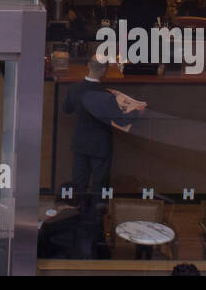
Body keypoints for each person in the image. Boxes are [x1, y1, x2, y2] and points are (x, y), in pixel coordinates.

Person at [62, 56, 144, 204]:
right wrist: (137, 112)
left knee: (79, 183)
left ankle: (75, 213)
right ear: (104, 70)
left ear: (88, 65)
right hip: (100, 145)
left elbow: (67, 109)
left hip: (80, 143)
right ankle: (95, 216)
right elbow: (121, 120)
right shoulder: (106, 96)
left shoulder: (73, 89)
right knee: (99, 185)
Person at [119, 0, 167, 76]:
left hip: (130, 43)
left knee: (130, 73)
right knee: (149, 74)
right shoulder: (161, 2)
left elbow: (121, 22)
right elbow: (161, 24)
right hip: (150, 44)